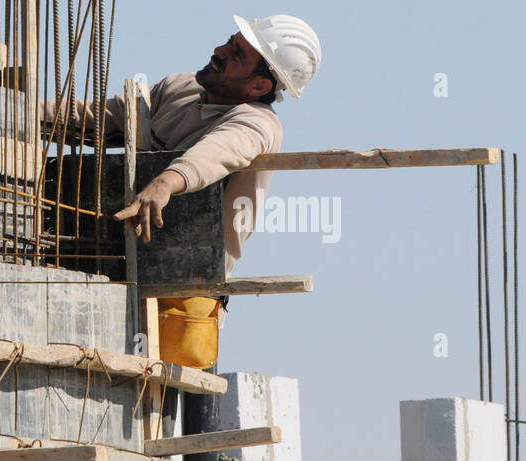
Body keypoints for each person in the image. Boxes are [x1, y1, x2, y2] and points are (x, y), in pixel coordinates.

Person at [43, 14, 322, 276]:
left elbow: (215, 154)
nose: (219, 51)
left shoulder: (258, 123)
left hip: (188, 287)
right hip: (124, 265)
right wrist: (17, 110)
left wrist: (165, 183)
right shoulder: (179, 87)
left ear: (259, 87)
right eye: (230, 42)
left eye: (236, 54)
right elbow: (97, 115)